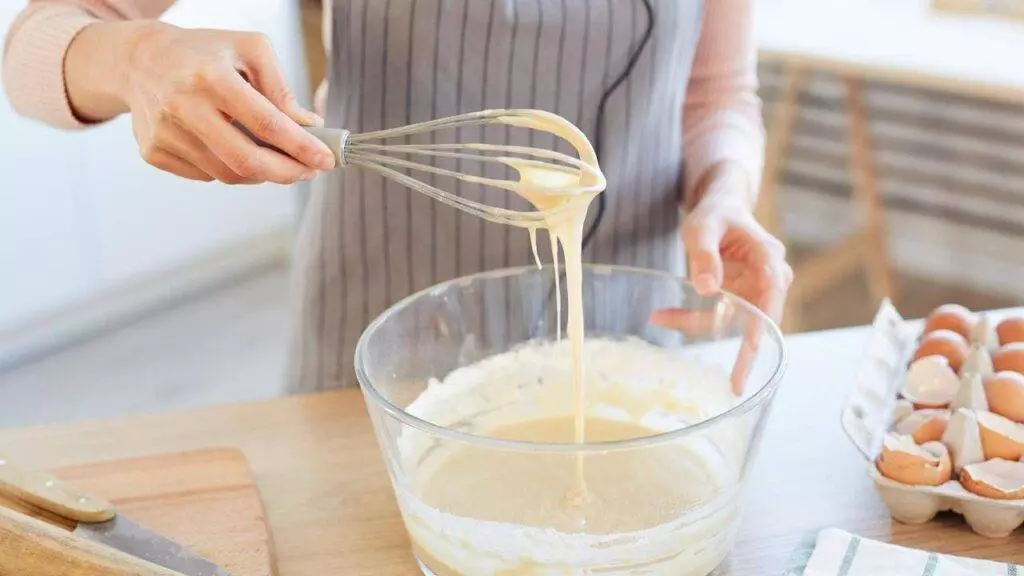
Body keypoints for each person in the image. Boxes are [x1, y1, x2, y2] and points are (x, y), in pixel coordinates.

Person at [4, 0, 792, 393]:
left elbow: (716, 94)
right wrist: (138, 56)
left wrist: (724, 189)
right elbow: (34, 49)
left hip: (622, 340)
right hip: (384, 355)